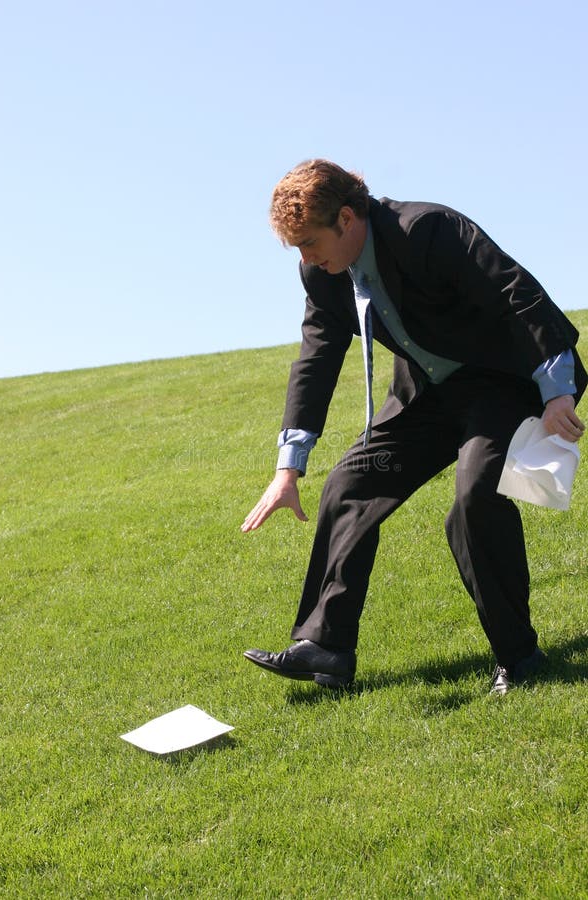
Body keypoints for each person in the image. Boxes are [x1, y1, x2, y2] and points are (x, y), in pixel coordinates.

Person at [241, 159, 586, 695]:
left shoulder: (427, 229)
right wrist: (289, 467)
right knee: (349, 485)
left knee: (475, 497)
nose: (306, 258)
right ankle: (326, 647)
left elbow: (514, 290)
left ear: (348, 218)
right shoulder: (322, 272)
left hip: (497, 382)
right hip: (425, 396)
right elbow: (317, 357)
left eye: (310, 242)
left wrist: (557, 389)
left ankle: (519, 659)